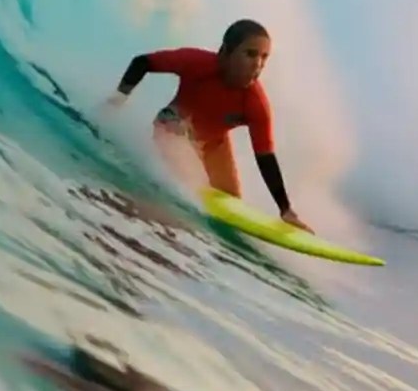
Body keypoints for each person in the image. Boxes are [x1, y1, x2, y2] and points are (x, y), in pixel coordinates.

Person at [107, 19, 313, 233]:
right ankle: (138, 212)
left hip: (214, 144)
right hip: (175, 123)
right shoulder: (196, 62)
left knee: (231, 206)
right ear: (225, 52)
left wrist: (285, 209)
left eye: (264, 57)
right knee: (187, 187)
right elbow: (142, 62)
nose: (258, 64)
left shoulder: (255, 104)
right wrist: (118, 100)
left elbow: (265, 156)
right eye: (250, 54)